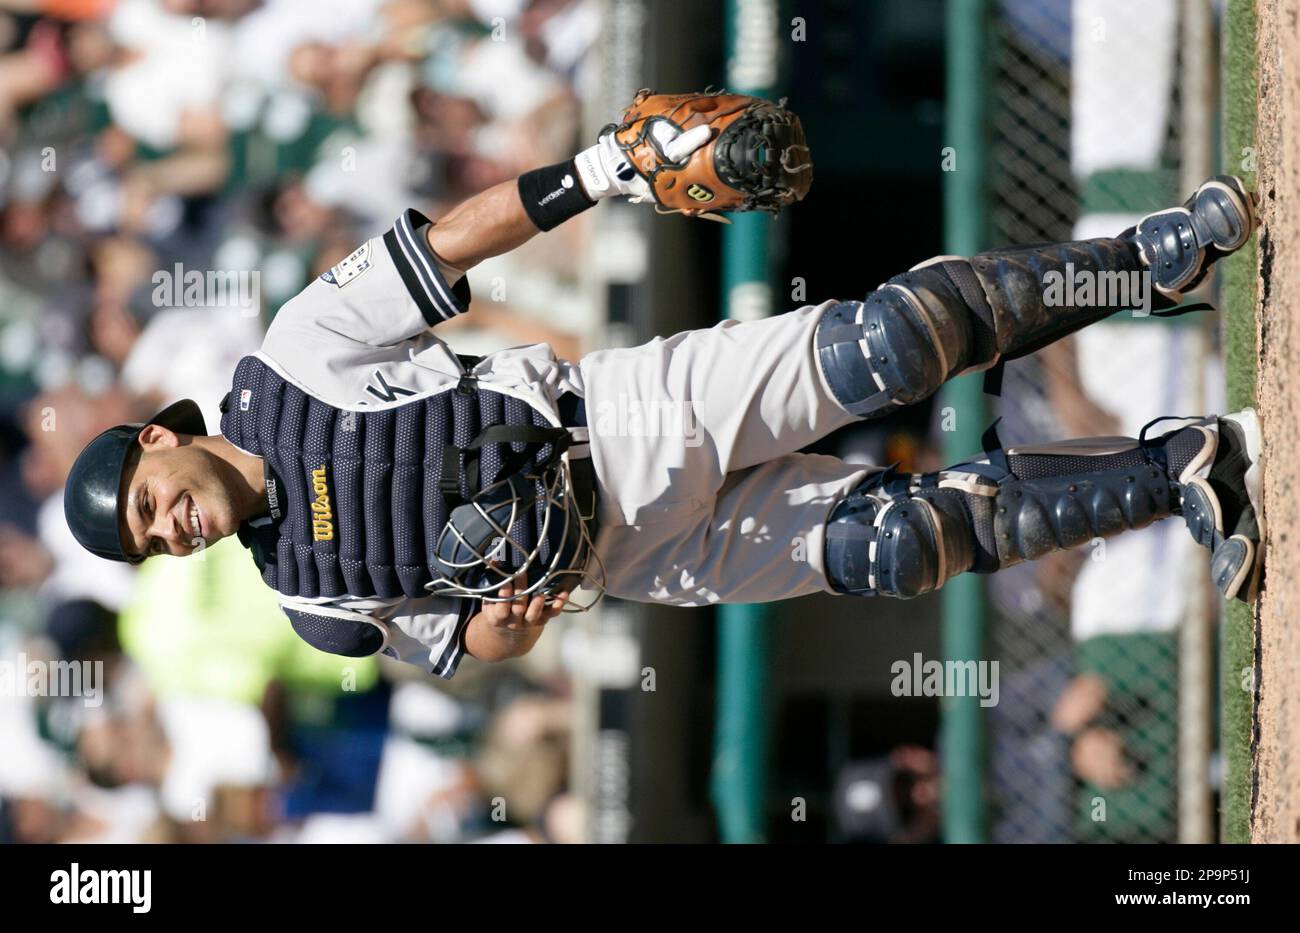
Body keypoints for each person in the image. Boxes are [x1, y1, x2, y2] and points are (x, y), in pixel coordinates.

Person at [62, 98, 1265, 680]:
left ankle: (1147, 258)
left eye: (147, 504)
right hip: (626, 562)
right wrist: (511, 623)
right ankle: (1185, 472)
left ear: (156, 437)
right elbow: (463, 643)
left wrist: (597, 172)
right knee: (909, 544)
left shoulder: (289, 361)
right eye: (151, 545)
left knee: (893, 346)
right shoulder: (310, 601)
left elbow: (441, 253)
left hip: (618, 421)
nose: (168, 532)